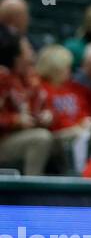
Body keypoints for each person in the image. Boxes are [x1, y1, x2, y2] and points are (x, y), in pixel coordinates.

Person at [0, 30, 54, 175]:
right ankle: (32, 191)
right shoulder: (2, 78)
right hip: (4, 139)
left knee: (60, 141)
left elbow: (43, 107)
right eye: (27, 48)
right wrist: (15, 120)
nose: (31, 52)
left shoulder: (30, 78)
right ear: (16, 55)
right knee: (41, 139)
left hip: (24, 135)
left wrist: (46, 115)